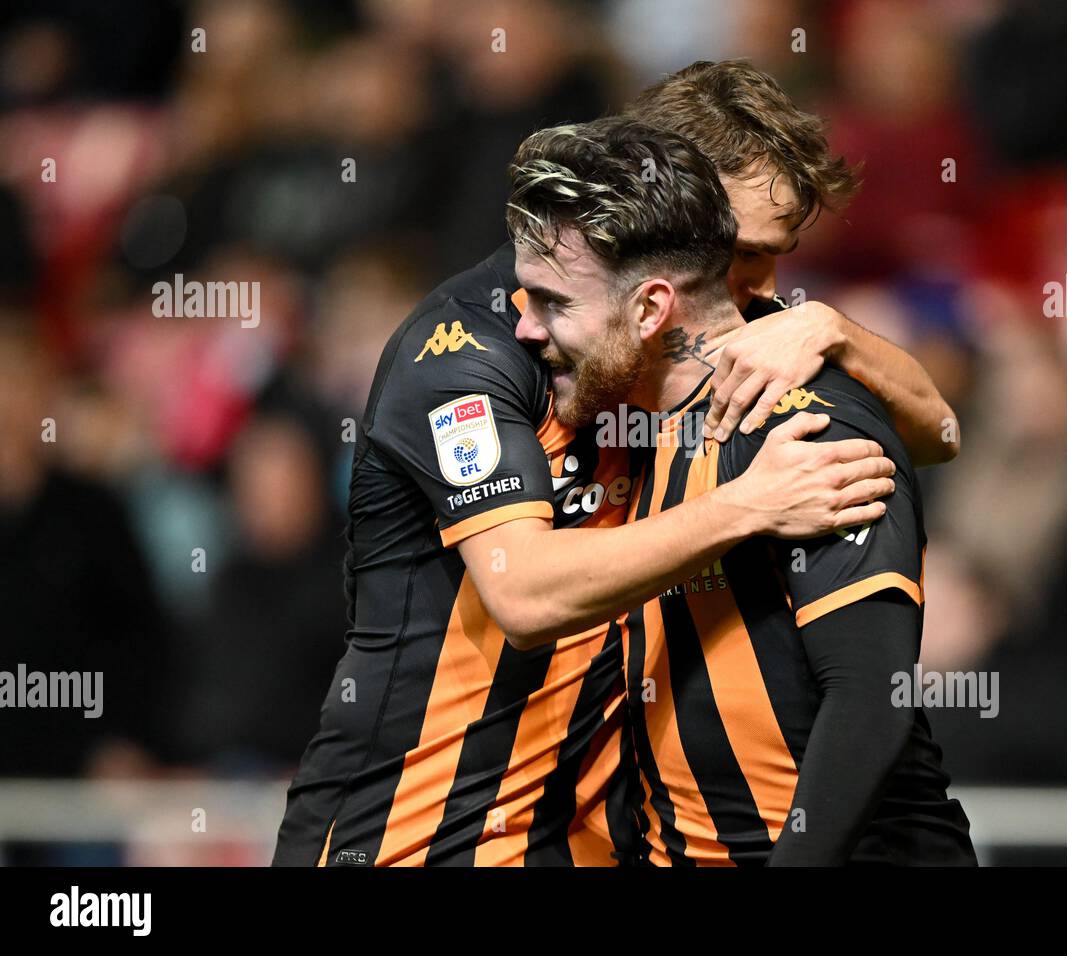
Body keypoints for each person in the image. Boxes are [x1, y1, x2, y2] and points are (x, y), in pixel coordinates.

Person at [274, 61, 957, 867]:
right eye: (739, 251)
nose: (754, 292)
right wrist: (749, 505)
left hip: (585, 837)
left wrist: (835, 331)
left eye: (772, 259)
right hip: (418, 833)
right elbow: (523, 589)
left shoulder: (719, 339)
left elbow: (937, 430)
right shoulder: (475, 348)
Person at [508, 117, 976, 865]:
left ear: (651, 304)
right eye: (743, 254)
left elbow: (871, 698)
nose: (526, 329)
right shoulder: (635, 425)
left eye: (553, 303)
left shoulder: (800, 423)